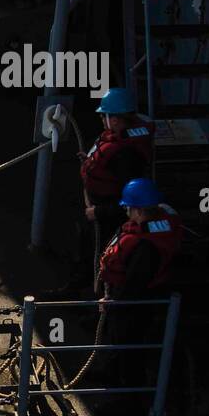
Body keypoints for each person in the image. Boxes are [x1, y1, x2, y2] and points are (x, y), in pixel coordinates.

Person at [52, 88, 154, 296]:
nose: (101, 119)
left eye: (104, 116)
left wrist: (98, 212)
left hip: (105, 216)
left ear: (115, 120)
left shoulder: (126, 155)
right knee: (83, 249)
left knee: (99, 257)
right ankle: (80, 288)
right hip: (98, 207)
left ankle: (89, 298)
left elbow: (132, 201)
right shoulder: (119, 140)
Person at [97, 178, 183, 390]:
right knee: (118, 341)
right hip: (134, 297)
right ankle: (111, 374)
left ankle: (129, 398)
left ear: (137, 210)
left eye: (127, 207)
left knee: (129, 348)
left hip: (136, 303)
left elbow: (135, 282)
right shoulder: (156, 223)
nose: (125, 211)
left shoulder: (145, 246)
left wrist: (113, 301)